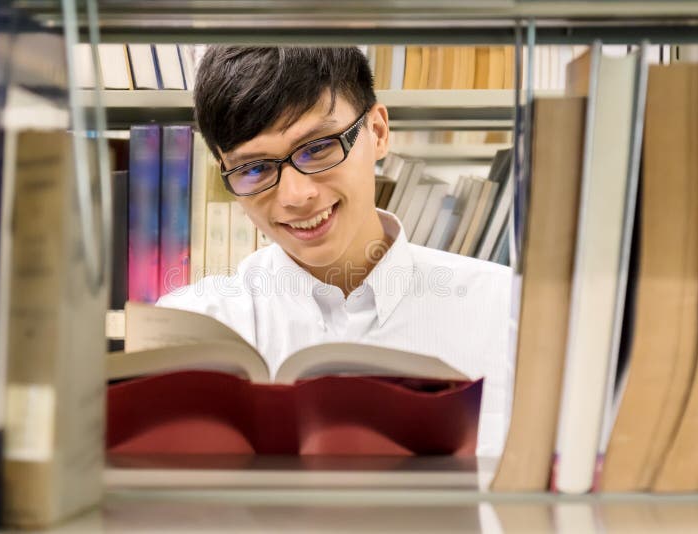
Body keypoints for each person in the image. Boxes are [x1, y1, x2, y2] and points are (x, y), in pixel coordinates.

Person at [157, 46, 513, 456]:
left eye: (318, 148)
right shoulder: (191, 326)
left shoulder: (506, 309)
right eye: (254, 169)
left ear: (377, 132)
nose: (295, 196)